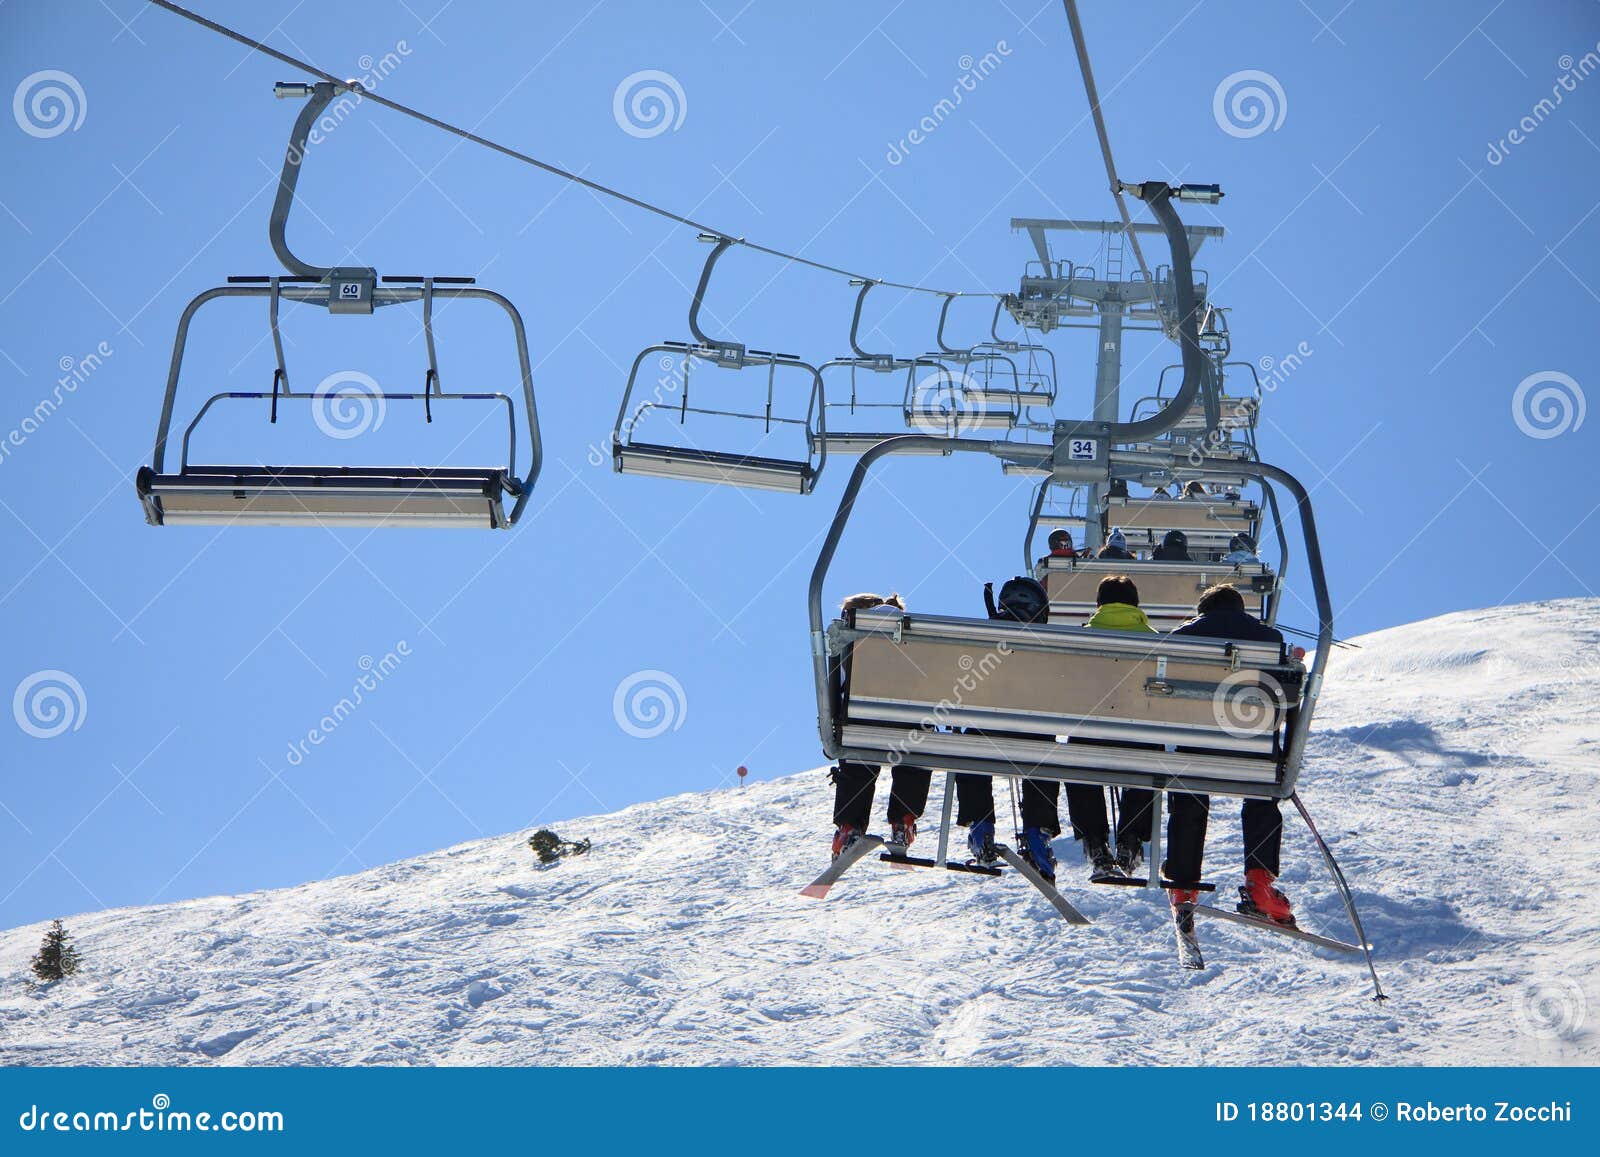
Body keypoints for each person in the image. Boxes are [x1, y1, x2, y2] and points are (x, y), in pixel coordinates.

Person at [1161, 583, 1296, 925]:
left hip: (1197, 746)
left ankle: (1183, 883)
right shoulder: (1270, 638)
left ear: (1203, 610)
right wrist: (1286, 755)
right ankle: (1260, 883)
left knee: (1188, 792)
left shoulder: (1182, 636)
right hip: (1253, 748)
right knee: (1261, 796)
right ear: (1240, 608)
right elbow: (1288, 695)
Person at [956, 577, 1063, 881]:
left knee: (968, 749)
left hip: (984, 733)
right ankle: (1037, 832)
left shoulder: (979, 636)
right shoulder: (1049, 644)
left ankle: (981, 826)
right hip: (1033, 734)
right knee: (1045, 751)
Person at [1065, 575, 1159, 877]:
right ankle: (1131, 837)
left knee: (1076, 755)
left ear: (1099, 605)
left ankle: (1095, 841)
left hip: (1091, 736)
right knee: (1152, 755)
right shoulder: (1157, 641)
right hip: (1138, 737)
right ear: (1136, 605)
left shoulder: (1079, 639)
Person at [828, 593, 933, 858]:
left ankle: (849, 826)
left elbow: (834, 691)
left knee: (857, 758)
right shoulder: (917, 640)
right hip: (911, 728)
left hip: (861, 724)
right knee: (914, 755)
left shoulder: (852, 641)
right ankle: (903, 820)